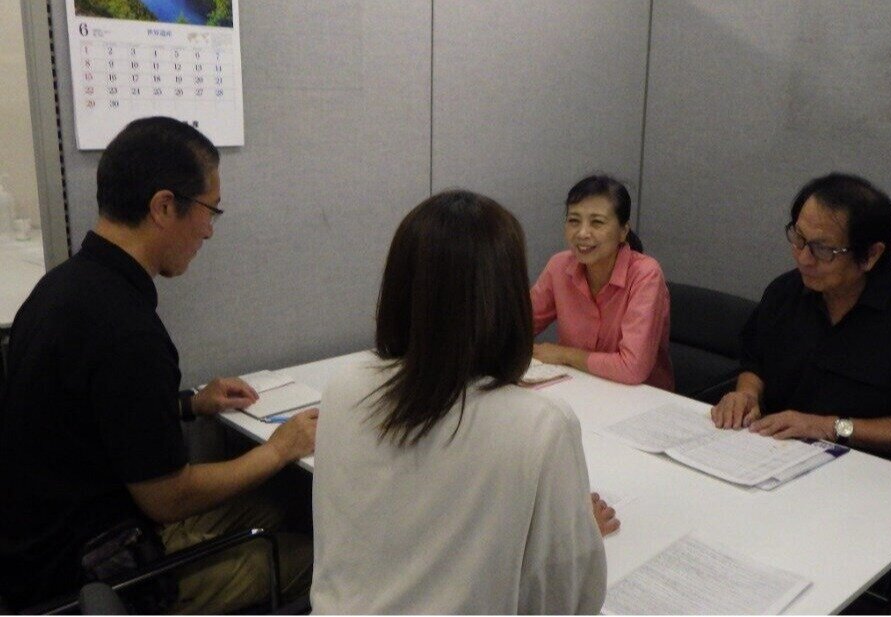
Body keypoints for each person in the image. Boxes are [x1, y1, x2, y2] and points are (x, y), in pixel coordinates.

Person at [0, 117, 317, 613]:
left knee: (276, 504)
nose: (209, 230)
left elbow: (95, 417)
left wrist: (190, 405)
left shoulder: (63, 288)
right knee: (312, 556)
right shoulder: (126, 329)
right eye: (210, 210)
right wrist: (280, 448)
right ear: (164, 206)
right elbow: (169, 500)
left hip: (44, 546)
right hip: (95, 578)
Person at [310, 190, 615, 614]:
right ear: (507, 298)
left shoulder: (345, 385)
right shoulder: (541, 425)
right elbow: (566, 601)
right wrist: (579, 535)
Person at [711, 173, 891, 463]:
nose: (804, 258)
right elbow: (754, 361)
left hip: (870, 470)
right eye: (799, 238)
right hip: (774, 455)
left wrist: (828, 427)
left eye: (823, 249)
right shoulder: (785, 292)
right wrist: (746, 395)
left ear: (871, 255)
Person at [530, 175, 674, 390]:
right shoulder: (559, 266)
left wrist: (564, 354)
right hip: (577, 387)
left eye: (597, 222)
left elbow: (632, 368)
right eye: (574, 221)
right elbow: (518, 325)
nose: (582, 233)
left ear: (623, 231)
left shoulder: (645, 275)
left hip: (639, 397)